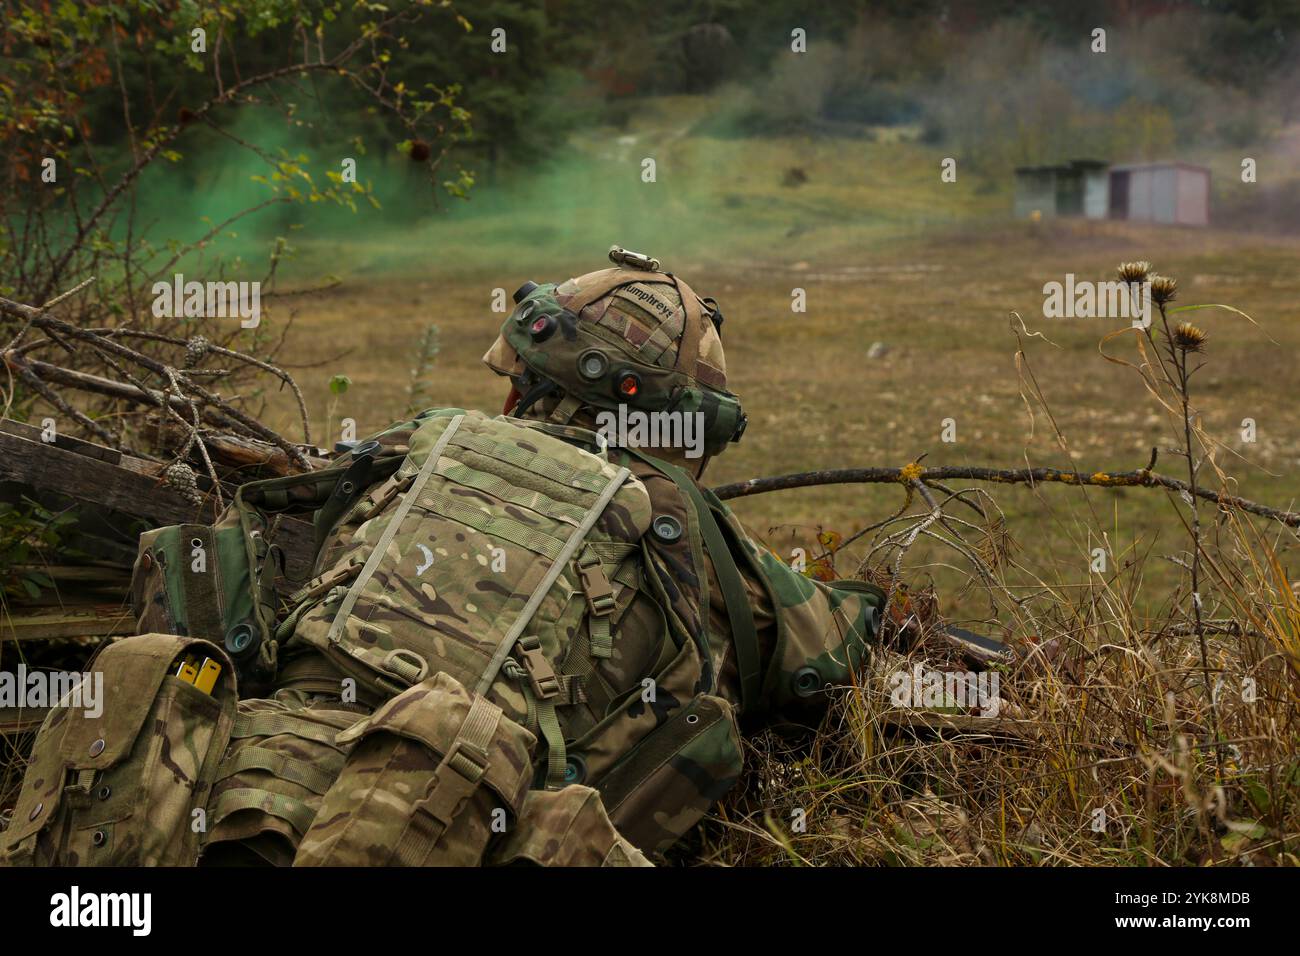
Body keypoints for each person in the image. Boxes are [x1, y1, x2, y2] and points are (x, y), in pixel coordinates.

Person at [0, 248, 882, 867]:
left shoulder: (421, 443)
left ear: (524, 379)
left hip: (223, 800)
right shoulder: (684, 523)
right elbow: (833, 648)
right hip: (444, 823)